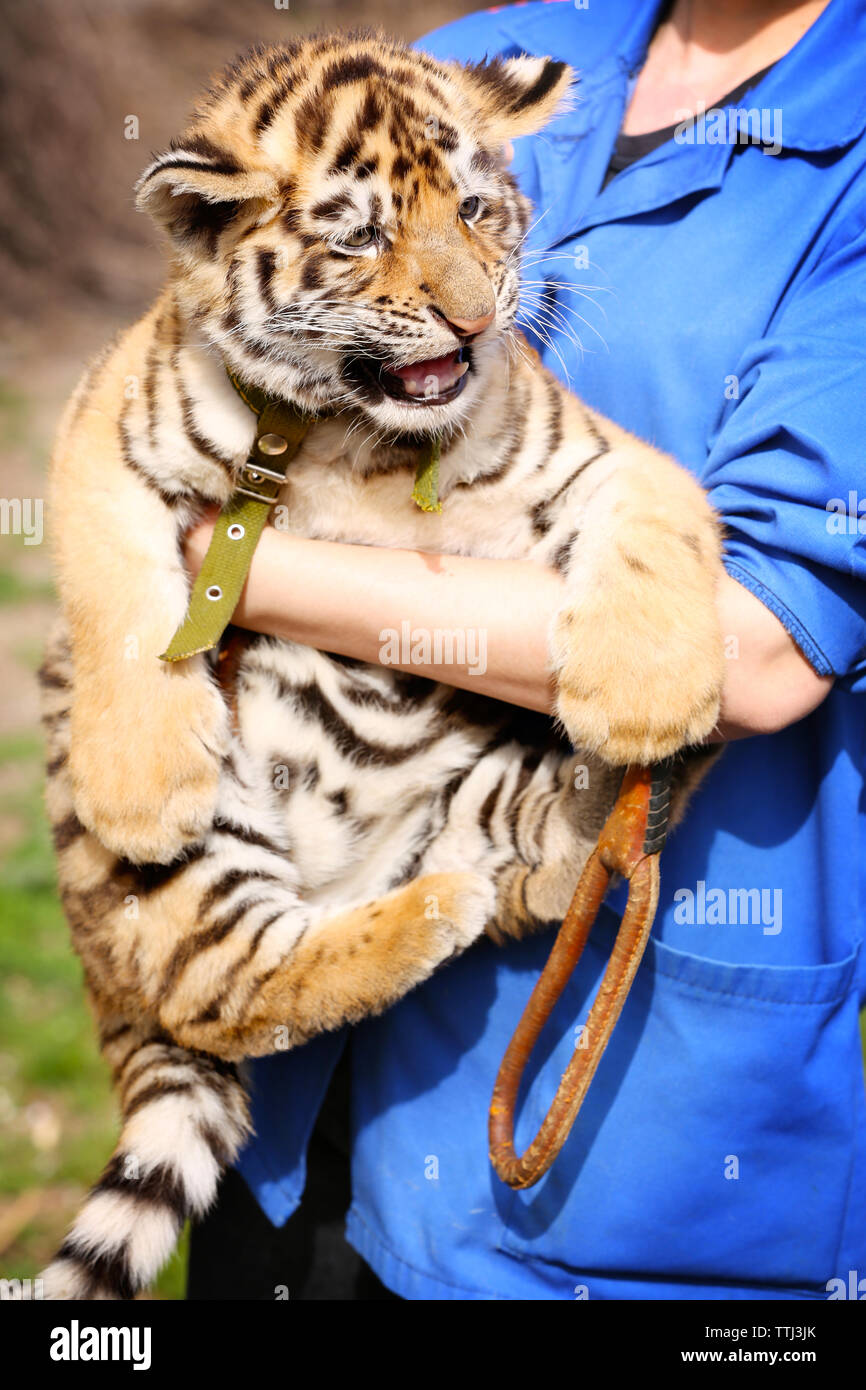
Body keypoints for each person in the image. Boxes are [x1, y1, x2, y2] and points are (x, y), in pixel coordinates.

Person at [185, 0, 866, 1300]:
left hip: (605, 1107)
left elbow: (747, 648)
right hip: (285, 1068)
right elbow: (227, 352)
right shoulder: (479, 59)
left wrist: (240, 571)